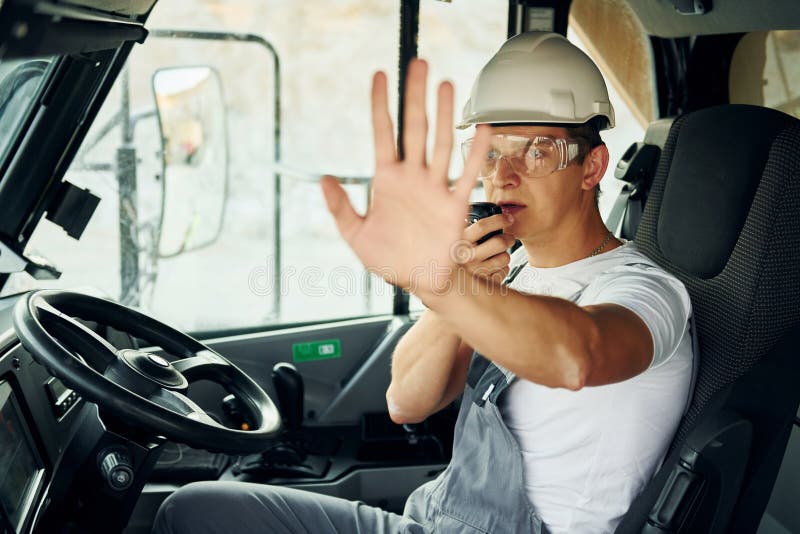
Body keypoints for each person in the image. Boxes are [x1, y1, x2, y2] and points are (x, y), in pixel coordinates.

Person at [153, 31, 694, 534]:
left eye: (536, 151)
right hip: (440, 517)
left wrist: (443, 287)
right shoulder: (515, 267)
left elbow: (580, 355)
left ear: (592, 166)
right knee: (194, 508)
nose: (503, 176)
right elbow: (406, 402)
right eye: (489, 154)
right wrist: (448, 283)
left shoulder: (647, 290)